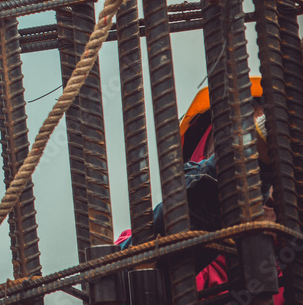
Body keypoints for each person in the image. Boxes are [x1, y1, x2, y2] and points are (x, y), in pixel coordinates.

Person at [115, 77, 282, 303]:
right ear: (199, 162)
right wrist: (259, 146)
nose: (265, 191)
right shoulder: (146, 248)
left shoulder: (292, 270)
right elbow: (118, 284)